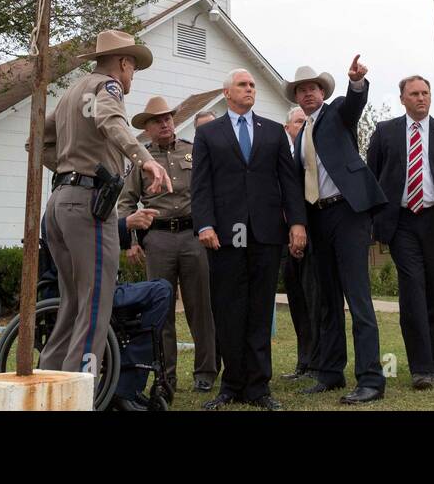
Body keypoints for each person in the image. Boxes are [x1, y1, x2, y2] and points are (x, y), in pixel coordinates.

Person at [38, 29, 170, 375]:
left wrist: (70, 168)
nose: (131, 78)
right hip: (89, 205)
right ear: (124, 63)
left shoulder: (70, 93)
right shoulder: (106, 86)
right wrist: (145, 158)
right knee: (96, 302)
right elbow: (111, 120)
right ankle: (78, 394)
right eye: (133, 69)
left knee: (73, 303)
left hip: (60, 201)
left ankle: (49, 385)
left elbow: (36, 143)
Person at [191, 68, 306, 409]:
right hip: (225, 236)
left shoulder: (272, 132)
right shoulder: (209, 134)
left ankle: (259, 388)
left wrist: (297, 223)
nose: (250, 89)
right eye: (243, 85)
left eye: (253, 85)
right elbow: (201, 185)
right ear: (227, 92)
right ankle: (231, 385)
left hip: (265, 234)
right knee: (228, 309)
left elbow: (289, 182)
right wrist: (204, 225)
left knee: (259, 309)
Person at [290, 57, 387, 404]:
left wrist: (357, 83)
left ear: (322, 91)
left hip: (348, 213)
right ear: (297, 98)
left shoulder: (338, 112)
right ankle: (330, 373)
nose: (308, 94)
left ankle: (371, 379)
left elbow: (356, 104)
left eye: (313, 88)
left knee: (357, 299)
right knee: (327, 301)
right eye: (301, 91)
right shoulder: (300, 135)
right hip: (318, 219)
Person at [367, 75, 434, 389]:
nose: (421, 98)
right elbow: (373, 175)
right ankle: (420, 369)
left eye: (425, 93)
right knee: (412, 291)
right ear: (402, 98)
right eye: (414, 93)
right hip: (401, 223)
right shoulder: (385, 132)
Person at [118, 95, 217, 394]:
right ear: (147, 128)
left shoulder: (193, 152)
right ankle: (165, 376)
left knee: (201, 308)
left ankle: (206, 371)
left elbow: (209, 192)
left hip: (192, 236)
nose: (164, 123)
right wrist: (130, 242)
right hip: (158, 240)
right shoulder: (141, 161)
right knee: (160, 311)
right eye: (157, 120)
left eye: (168, 118)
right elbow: (125, 203)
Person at [39, 206, 172, 411]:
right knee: (161, 291)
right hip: (85, 290)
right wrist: (126, 224)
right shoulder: (71, 207)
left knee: (159, 290)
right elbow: (86, 239)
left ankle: (126, 379)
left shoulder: (65, 206)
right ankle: (124, 387)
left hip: (96, 284)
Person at [280, 105, 320, 380]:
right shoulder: (280, 158)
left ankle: (319, 362)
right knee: (296, 302)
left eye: (306, 121)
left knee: (314, 300)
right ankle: (303, 361)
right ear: (287, 128)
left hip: (314, 239)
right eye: (298, 121)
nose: (303, 125)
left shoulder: (312, 158)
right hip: (284, 241)